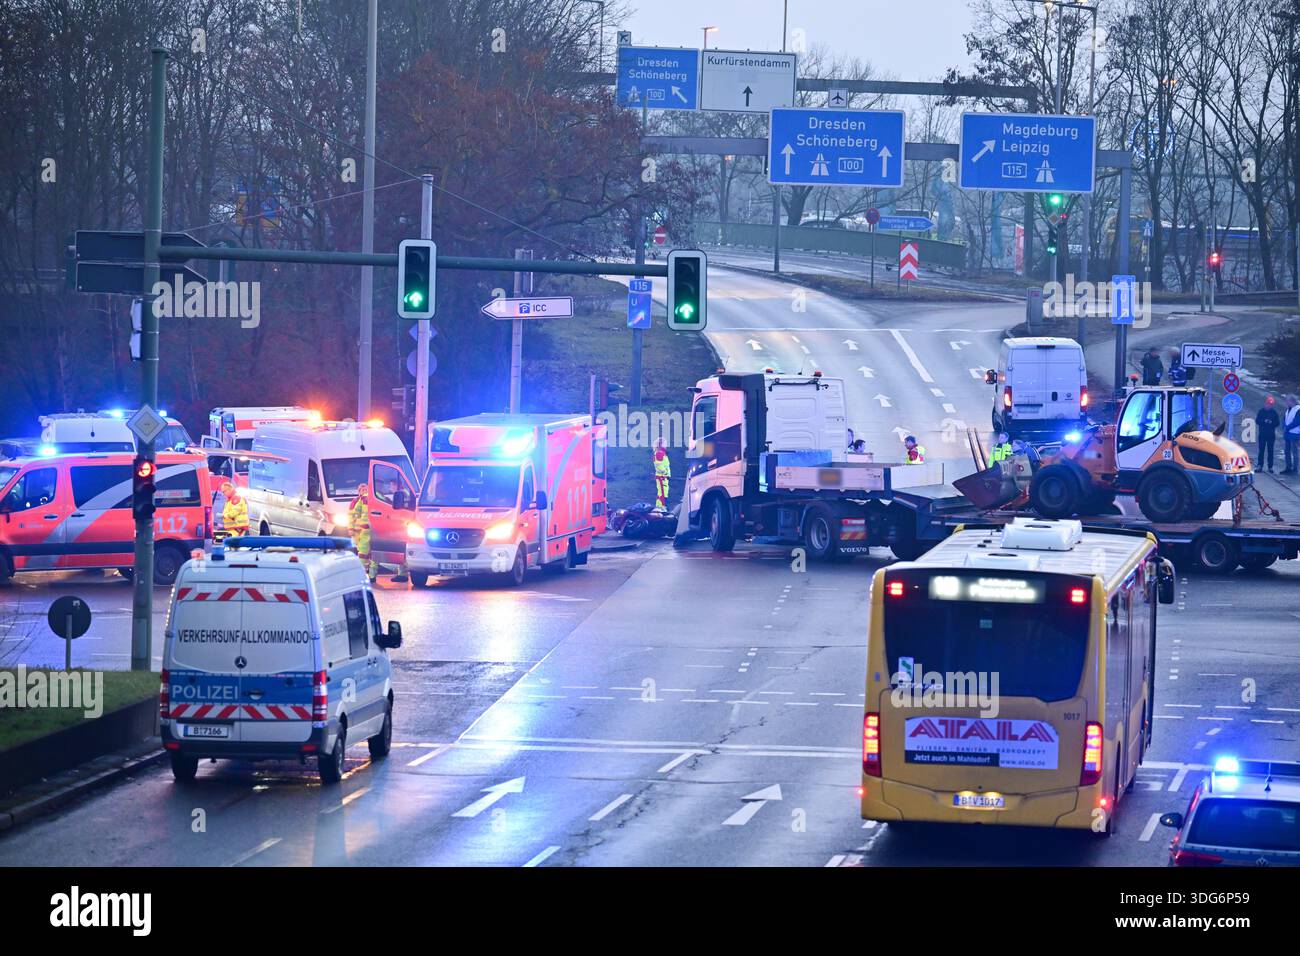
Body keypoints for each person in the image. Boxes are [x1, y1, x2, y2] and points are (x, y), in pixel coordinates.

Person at [350, 483, 376, 580]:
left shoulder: (373, 498)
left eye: (366, 489)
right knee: (362, 553)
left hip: (372, 530)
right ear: (359, 492)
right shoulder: (358, 501)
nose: (365, 491)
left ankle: (372, 575)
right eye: (362, 490)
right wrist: (352, 528)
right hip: (362, 531)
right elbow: (353, 515)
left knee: (373, 553)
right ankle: (361, 573)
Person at [1255, 396, 1280, 473]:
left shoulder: (1274, 413)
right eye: (1268, 404)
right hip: (1262, 434)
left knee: (1270, 451)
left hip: (1271, 435)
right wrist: (1264, 421)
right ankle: (1260, 465)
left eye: (1271, 404)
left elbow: (1277, 423)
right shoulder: (1261, 411)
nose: (1269, 405)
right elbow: (1257, 421)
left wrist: (1271, 423)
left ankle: (1270, 466)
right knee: (1261, 450)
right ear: (1265, 403)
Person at [1283, 395, 1300, 475]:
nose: (1286, 402)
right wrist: (1284, 426)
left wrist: (1287, 427)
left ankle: (1295, 469)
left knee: (1294, 451)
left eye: (1287, 401)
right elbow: (1285, 419)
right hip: (1288, 433)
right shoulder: (1288, 409)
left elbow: (1297, 421)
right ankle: (1288, 467)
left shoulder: (1298, 409)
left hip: (1294, 434)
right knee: (1287, 451)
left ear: (1292, 401)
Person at [653, 438, 671, 511]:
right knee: (662, 493)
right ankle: (661, 507)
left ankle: (660, 507)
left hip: (663, 477)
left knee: (663, 493)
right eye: (664, 443)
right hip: (661, 477)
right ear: (660, 444)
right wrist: (664, 472)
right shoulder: (659, 453)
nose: (666, 445)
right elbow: (658, 464)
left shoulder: (662, 453)